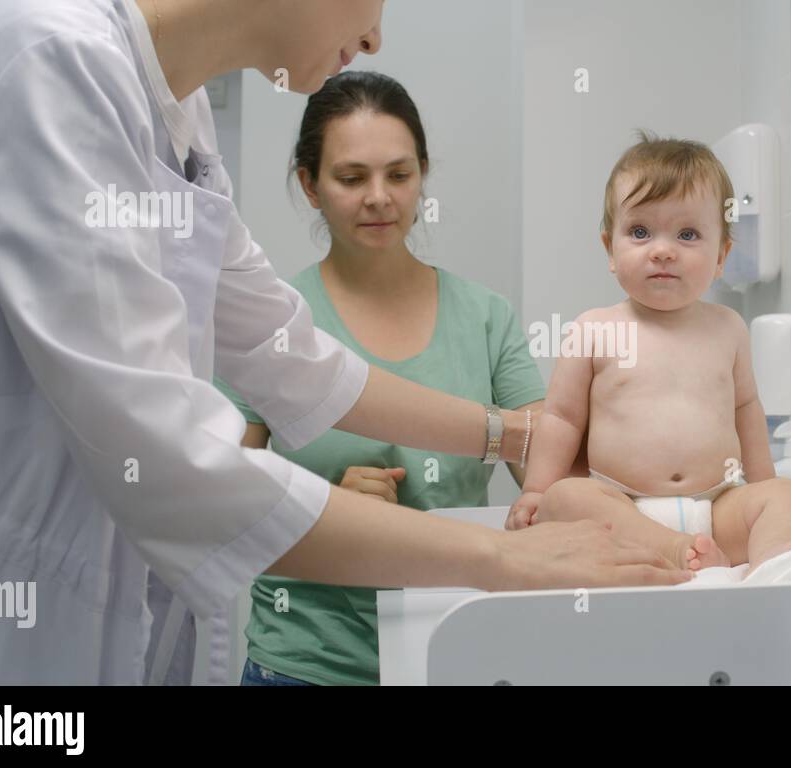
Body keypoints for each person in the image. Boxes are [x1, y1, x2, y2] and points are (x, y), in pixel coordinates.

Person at [0, 0, 688, 685]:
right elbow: (169, 456)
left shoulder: (176, 114)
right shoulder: (48, 55)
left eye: (398, 173)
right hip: (1, 610)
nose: (375, 36)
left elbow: (290, 357)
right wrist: (503, 557)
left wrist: (524, 433)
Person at [223, 71, 548, 685]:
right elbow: (219, 509)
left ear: (423, 174)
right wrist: (325, 511)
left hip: (452, 656)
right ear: (309, 186)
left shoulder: (484, 318)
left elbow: (551, 476)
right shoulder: (267, 321)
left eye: (399, 175)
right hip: (303, 666)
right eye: (350, 178)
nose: (379, 196)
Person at [507, 134, 791, 572]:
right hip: (622, 505)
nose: (662, 250)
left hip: (718, 505)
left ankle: (775, 557)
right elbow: (562, 418)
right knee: (568, 498)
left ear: (721, 256)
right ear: (610, 248)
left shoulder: (728, 329)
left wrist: (762, 489)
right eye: (640, 232)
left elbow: (746, 410)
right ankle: (672, 550)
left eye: (687, 234)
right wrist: (536, 490)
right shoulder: (593, 328)